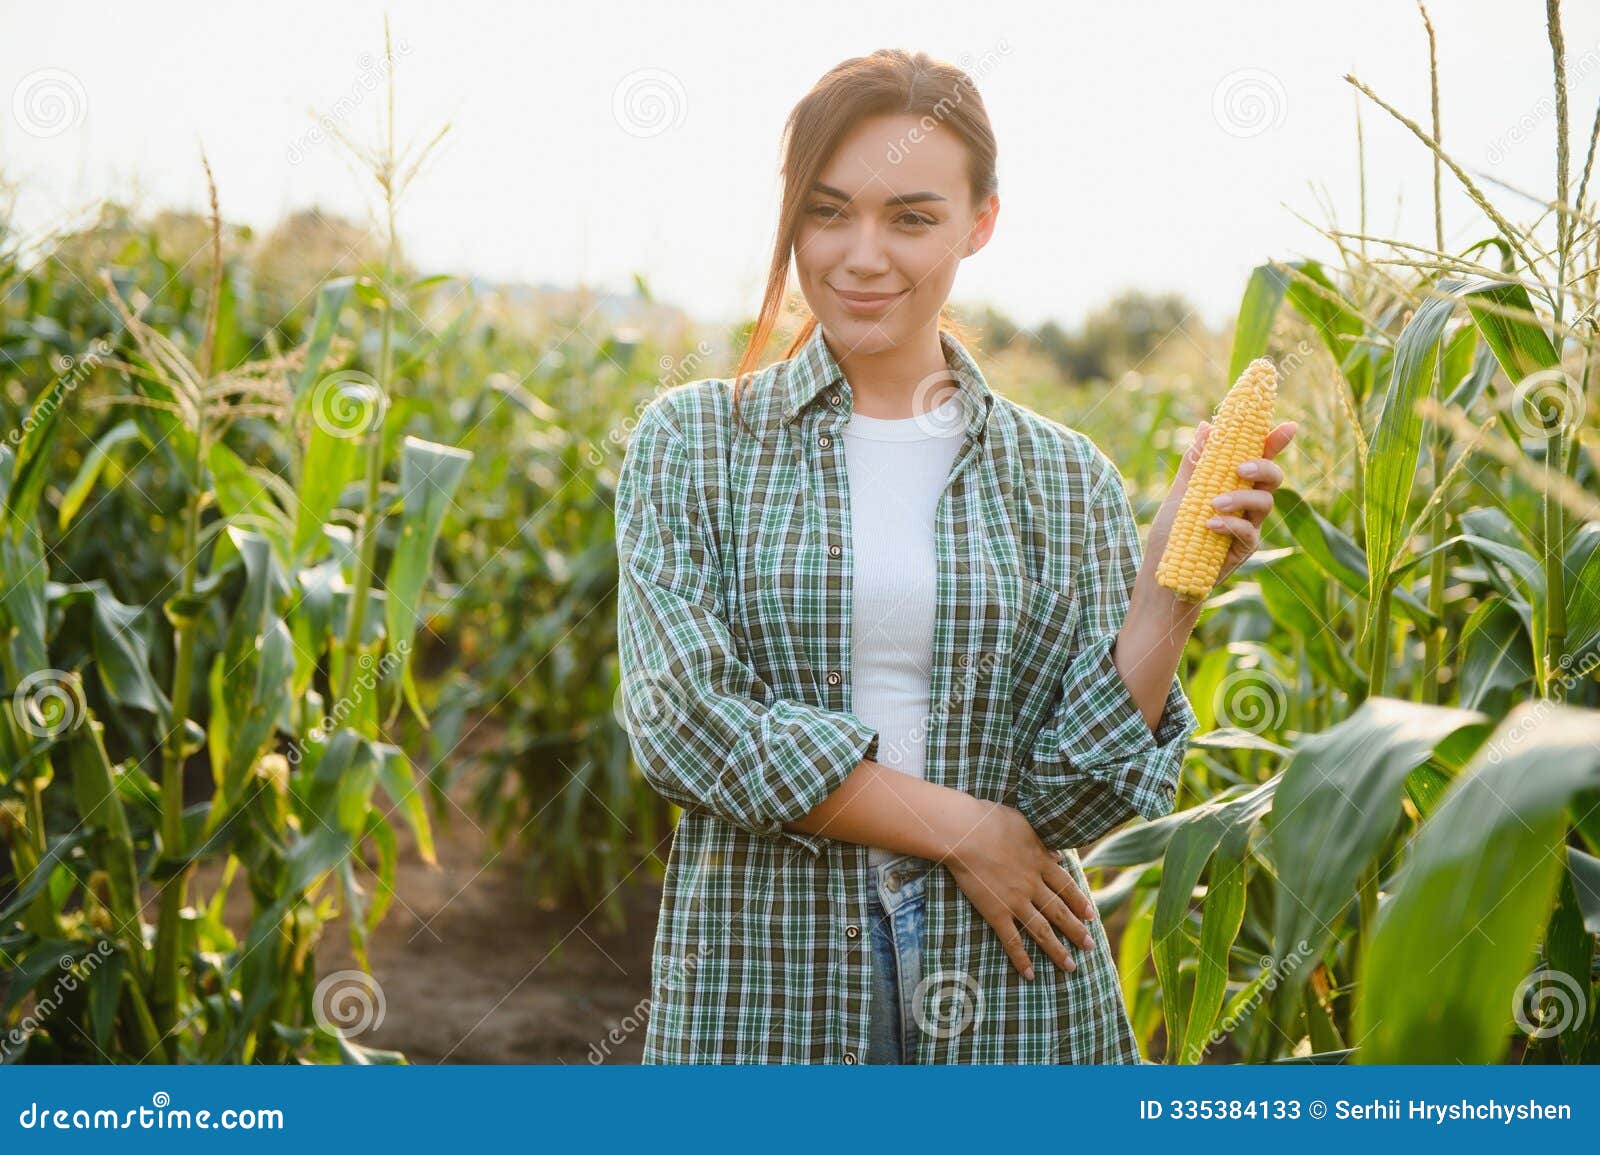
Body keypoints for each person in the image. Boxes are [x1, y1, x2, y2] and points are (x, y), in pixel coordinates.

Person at [613, 48, 1295, 1064]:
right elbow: (686, 725)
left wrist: (1166, 600)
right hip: (763, 987)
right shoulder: (692, 443)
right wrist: (965, 832)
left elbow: (1076, 801)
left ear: (980, 222)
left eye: (912, 217)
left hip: (1012, 996)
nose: (861, 254)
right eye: (827, 210)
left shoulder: (1066, 479)